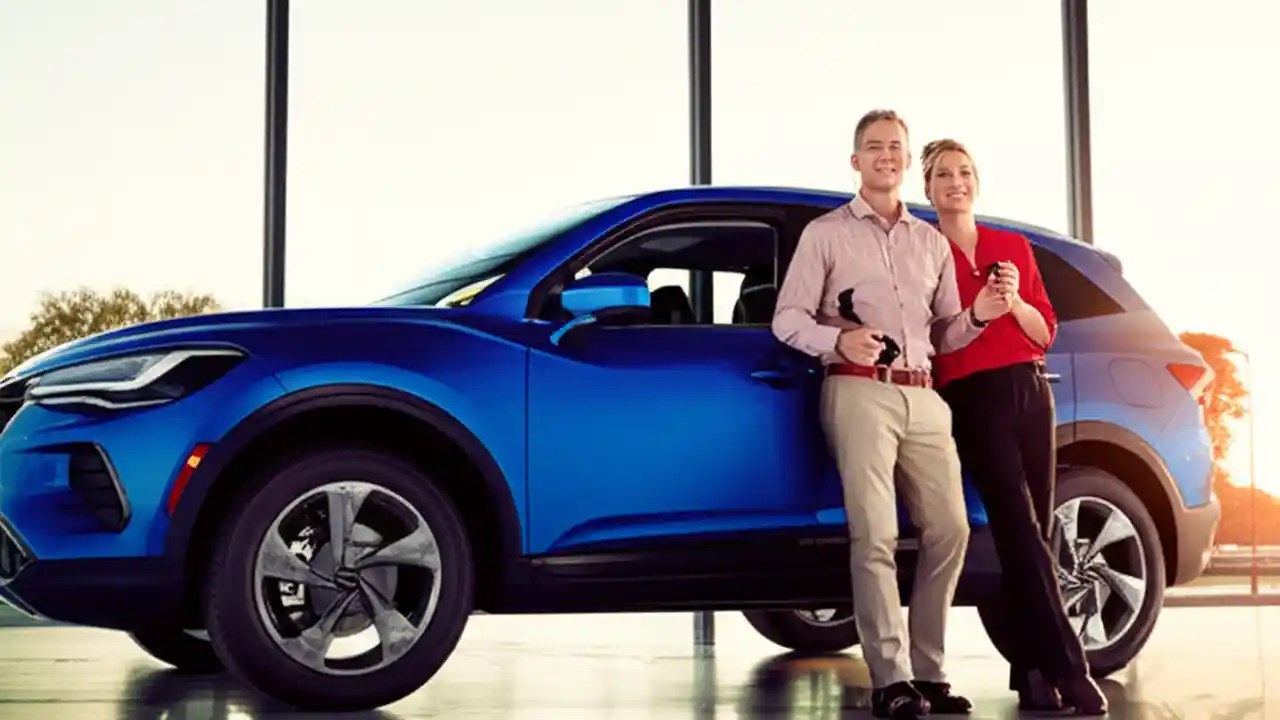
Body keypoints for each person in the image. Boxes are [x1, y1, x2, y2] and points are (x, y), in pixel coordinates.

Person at [772, 109, 1010, 720]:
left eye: (895, 148)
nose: (886, 156)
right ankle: (891, 679)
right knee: (874, 534)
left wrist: (980, 313)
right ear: (856, 162)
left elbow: (949, 334)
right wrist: (837, 342)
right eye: (873, 148)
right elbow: (787, 318)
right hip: (857, 392)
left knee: (951, 529)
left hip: (925, 397)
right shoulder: (825, 234)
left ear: (906, 162)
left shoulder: (929, 242)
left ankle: (929, 673)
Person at [922, 138, 1108, 716]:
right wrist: (978, 313)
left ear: (976, 182)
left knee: (1037, 534)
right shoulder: (924, 250)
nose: (957, 181)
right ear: (927, 189)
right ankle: (1070, 670)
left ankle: (1030, 670)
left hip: (1031, 389)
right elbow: (933, 338)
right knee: (1019, 531)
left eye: (965, 172)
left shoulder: (1011, 246)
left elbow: (1043, 330)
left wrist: (1011, 302)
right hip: (972, 395)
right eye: (943, 175)